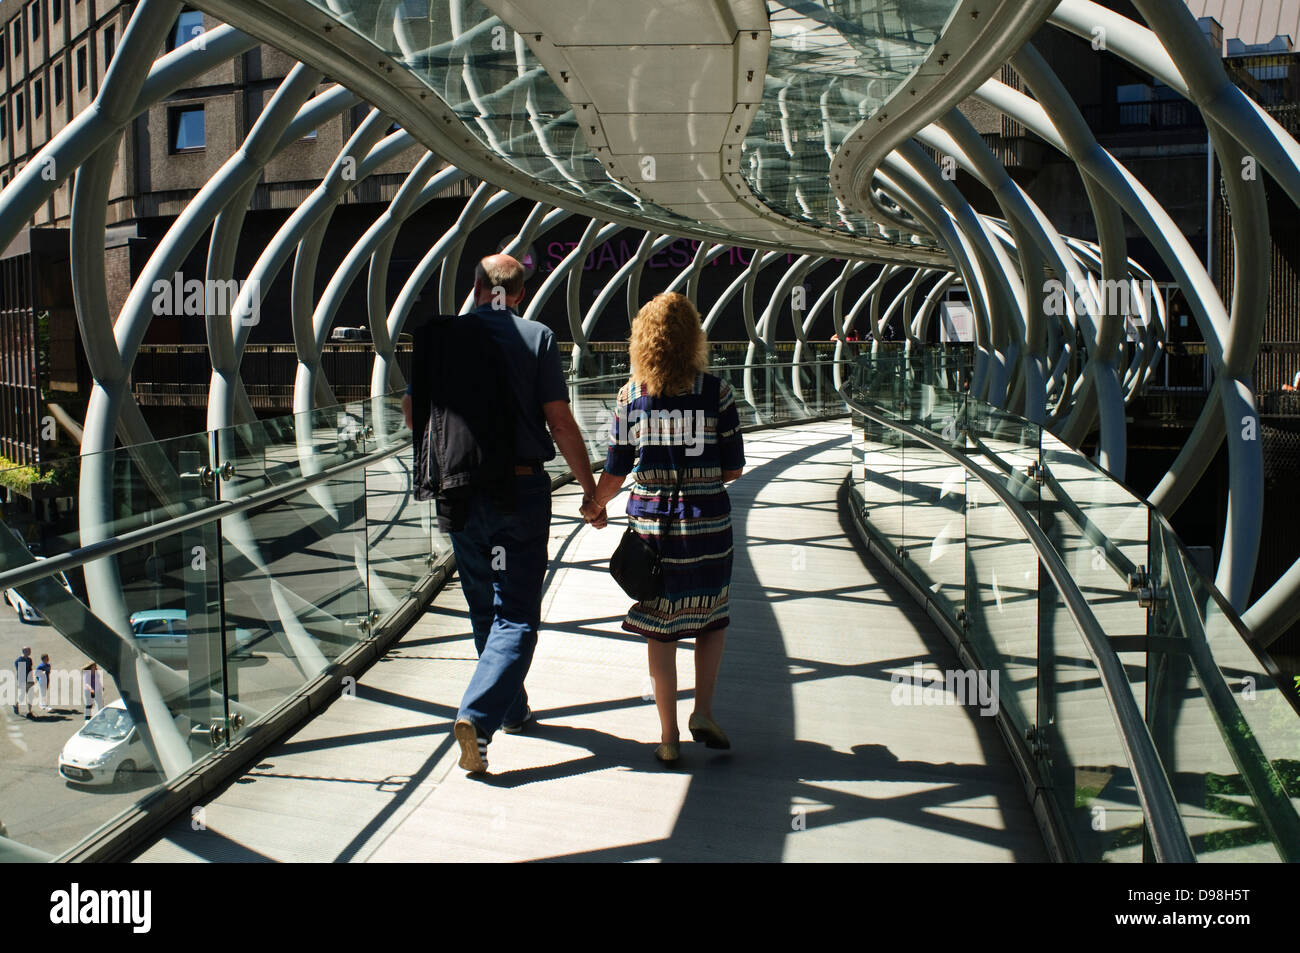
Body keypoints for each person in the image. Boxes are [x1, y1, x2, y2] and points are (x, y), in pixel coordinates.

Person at [401, 254, 600, 775]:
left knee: (484, 608)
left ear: (473, 288)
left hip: (460, 492)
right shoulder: (536, 337)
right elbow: (559, 420)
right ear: (519, 294)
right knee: (515, 612)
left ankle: (512, 709)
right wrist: (589, 491)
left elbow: (411, 410)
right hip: (520, 490)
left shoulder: (443, 338)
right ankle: (479, 716)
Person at [585, 293, 745, 764]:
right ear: (693, 337)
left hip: (653, 530)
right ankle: (704, 711)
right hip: (708, 526)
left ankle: (669, 736)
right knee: (711, 618)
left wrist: (595, 504)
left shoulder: (631, 396)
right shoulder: (717, 392)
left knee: (661, 629)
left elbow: (616, 469)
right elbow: (734, 468)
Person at [13, 647, 34, 718]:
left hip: (29, 680)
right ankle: (16, 705)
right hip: (22, 681)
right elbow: (21, 672)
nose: (30, 652)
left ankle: (29, 712)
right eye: (29, 651)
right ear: (24, 652)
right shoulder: (19, 661)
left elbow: (30, 670)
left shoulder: (29, 660)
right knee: (22, 696)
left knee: (30, 696)